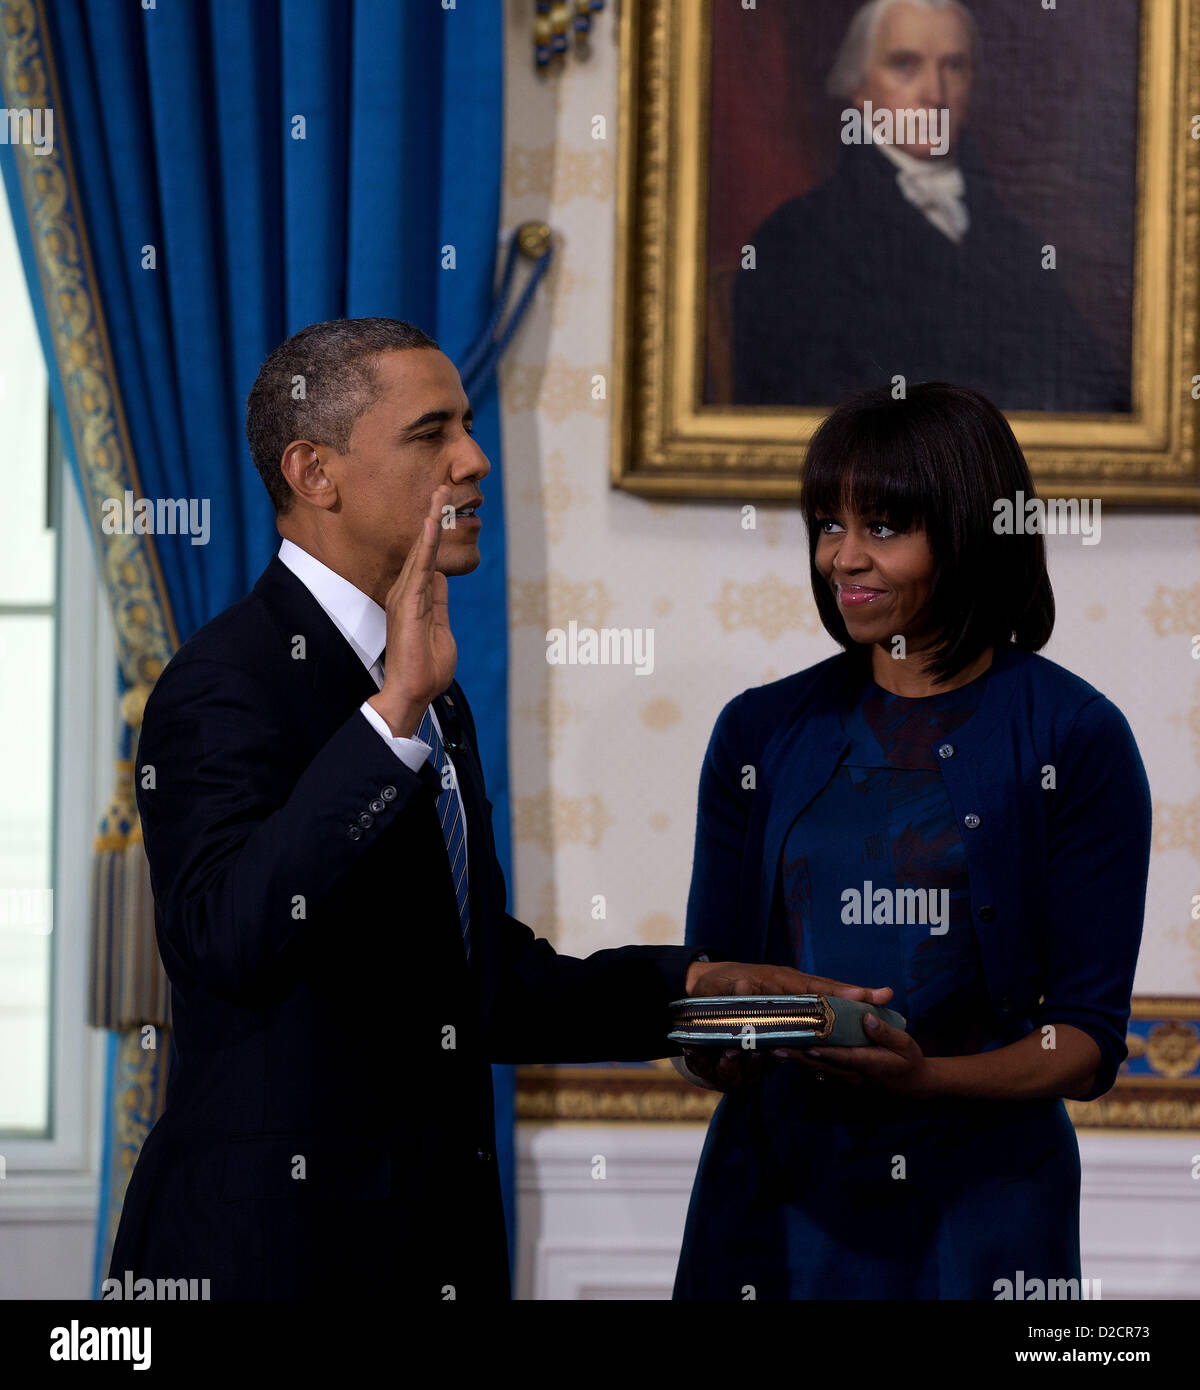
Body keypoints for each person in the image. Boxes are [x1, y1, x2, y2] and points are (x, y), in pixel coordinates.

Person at [106, 316, 883, 1301]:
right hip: (274, 1260)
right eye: (432, 434)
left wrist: (697, 988)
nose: (475, 460)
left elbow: (480, 987)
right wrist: (390, 721)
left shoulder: (428, 682)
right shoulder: (225, 680)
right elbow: (224, 937)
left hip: (432, 1250)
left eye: (467, 427)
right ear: (315, 472)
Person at [673, 381, 1151, 1300]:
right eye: (827, 525)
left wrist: (922, 1079)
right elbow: (714, 980)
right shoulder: (759, 730)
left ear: (970, 533)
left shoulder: (1073, 735)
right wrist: (715, 1043)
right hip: (775, 1201)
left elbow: (1087, 1040)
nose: (842, 559)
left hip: (984, 1212)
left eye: (883, 528)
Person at [732, 0, 1129, 412]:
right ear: (859, 88)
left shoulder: (1013, 237)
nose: (934, 95)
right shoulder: (795, 239)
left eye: (954, 67)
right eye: (905, 65)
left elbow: (1092, 389)